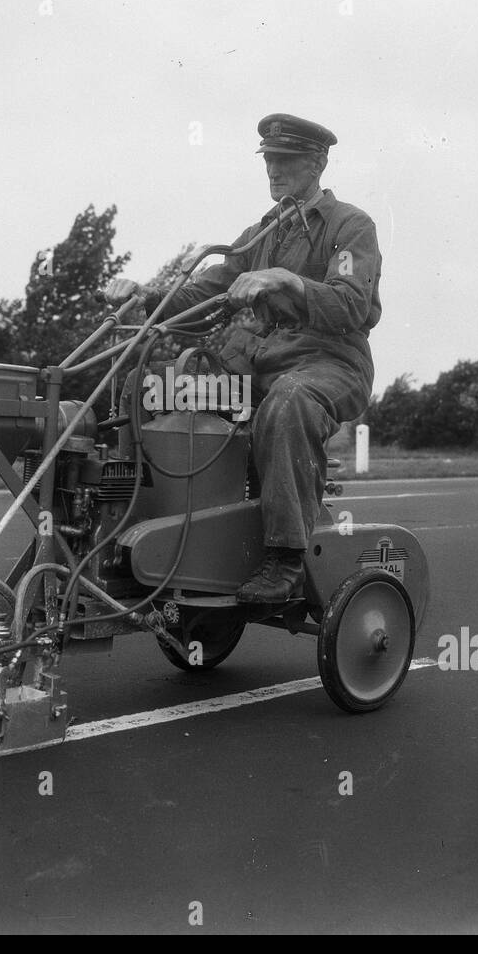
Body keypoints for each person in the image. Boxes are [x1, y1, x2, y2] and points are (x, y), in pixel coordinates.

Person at [104, 113, 382, 604]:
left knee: (288, 402)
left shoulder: (350, 225)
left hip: (330, 363)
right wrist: (144, 296)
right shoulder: (262, 233)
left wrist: (287, 280)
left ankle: (285, 558)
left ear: (317, 163)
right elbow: (204, 293)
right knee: (149, 387)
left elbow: (352, 305)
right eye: (269, 161)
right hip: (259, 366)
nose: (273, 171)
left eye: (285, 160)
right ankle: (143, 534)